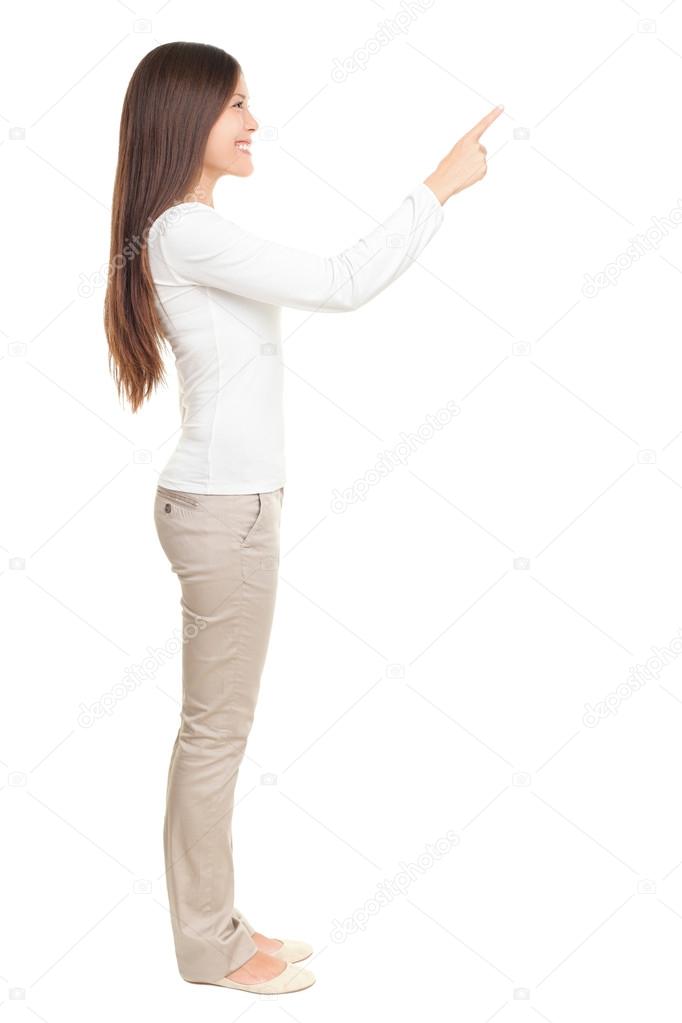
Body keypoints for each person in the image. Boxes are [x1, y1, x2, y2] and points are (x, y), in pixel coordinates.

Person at [104, 39, 502, 995]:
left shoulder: (181, 230)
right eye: (235, 105)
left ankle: (220, 922)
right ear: (183, 117)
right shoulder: (184, 231)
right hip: (223, 514)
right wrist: (437, 187)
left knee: (215, 733)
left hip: (227, 509)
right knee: (215, 737)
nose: (253, 122)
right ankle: (211, 946)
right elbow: (339, 281)